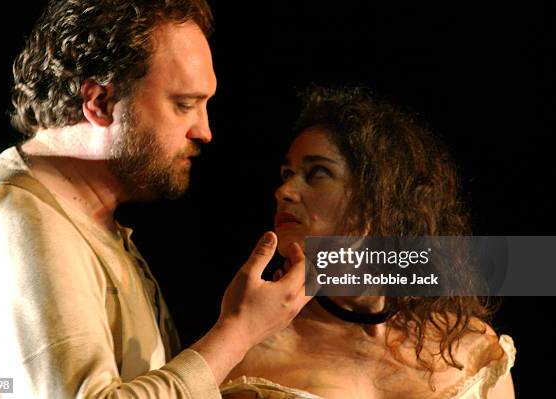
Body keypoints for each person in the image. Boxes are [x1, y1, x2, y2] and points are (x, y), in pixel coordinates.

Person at [0, 1, 311, 397]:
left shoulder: (85, 219)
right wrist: (238, 331)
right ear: (99, 103)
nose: (204, 131)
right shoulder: (18, 216)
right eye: (184, 105)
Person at [221, 86, 516, 399]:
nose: (284, 191)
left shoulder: (470, 347)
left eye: (316, 173)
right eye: (287, 173)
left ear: (377, 196)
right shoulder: (250, 350)